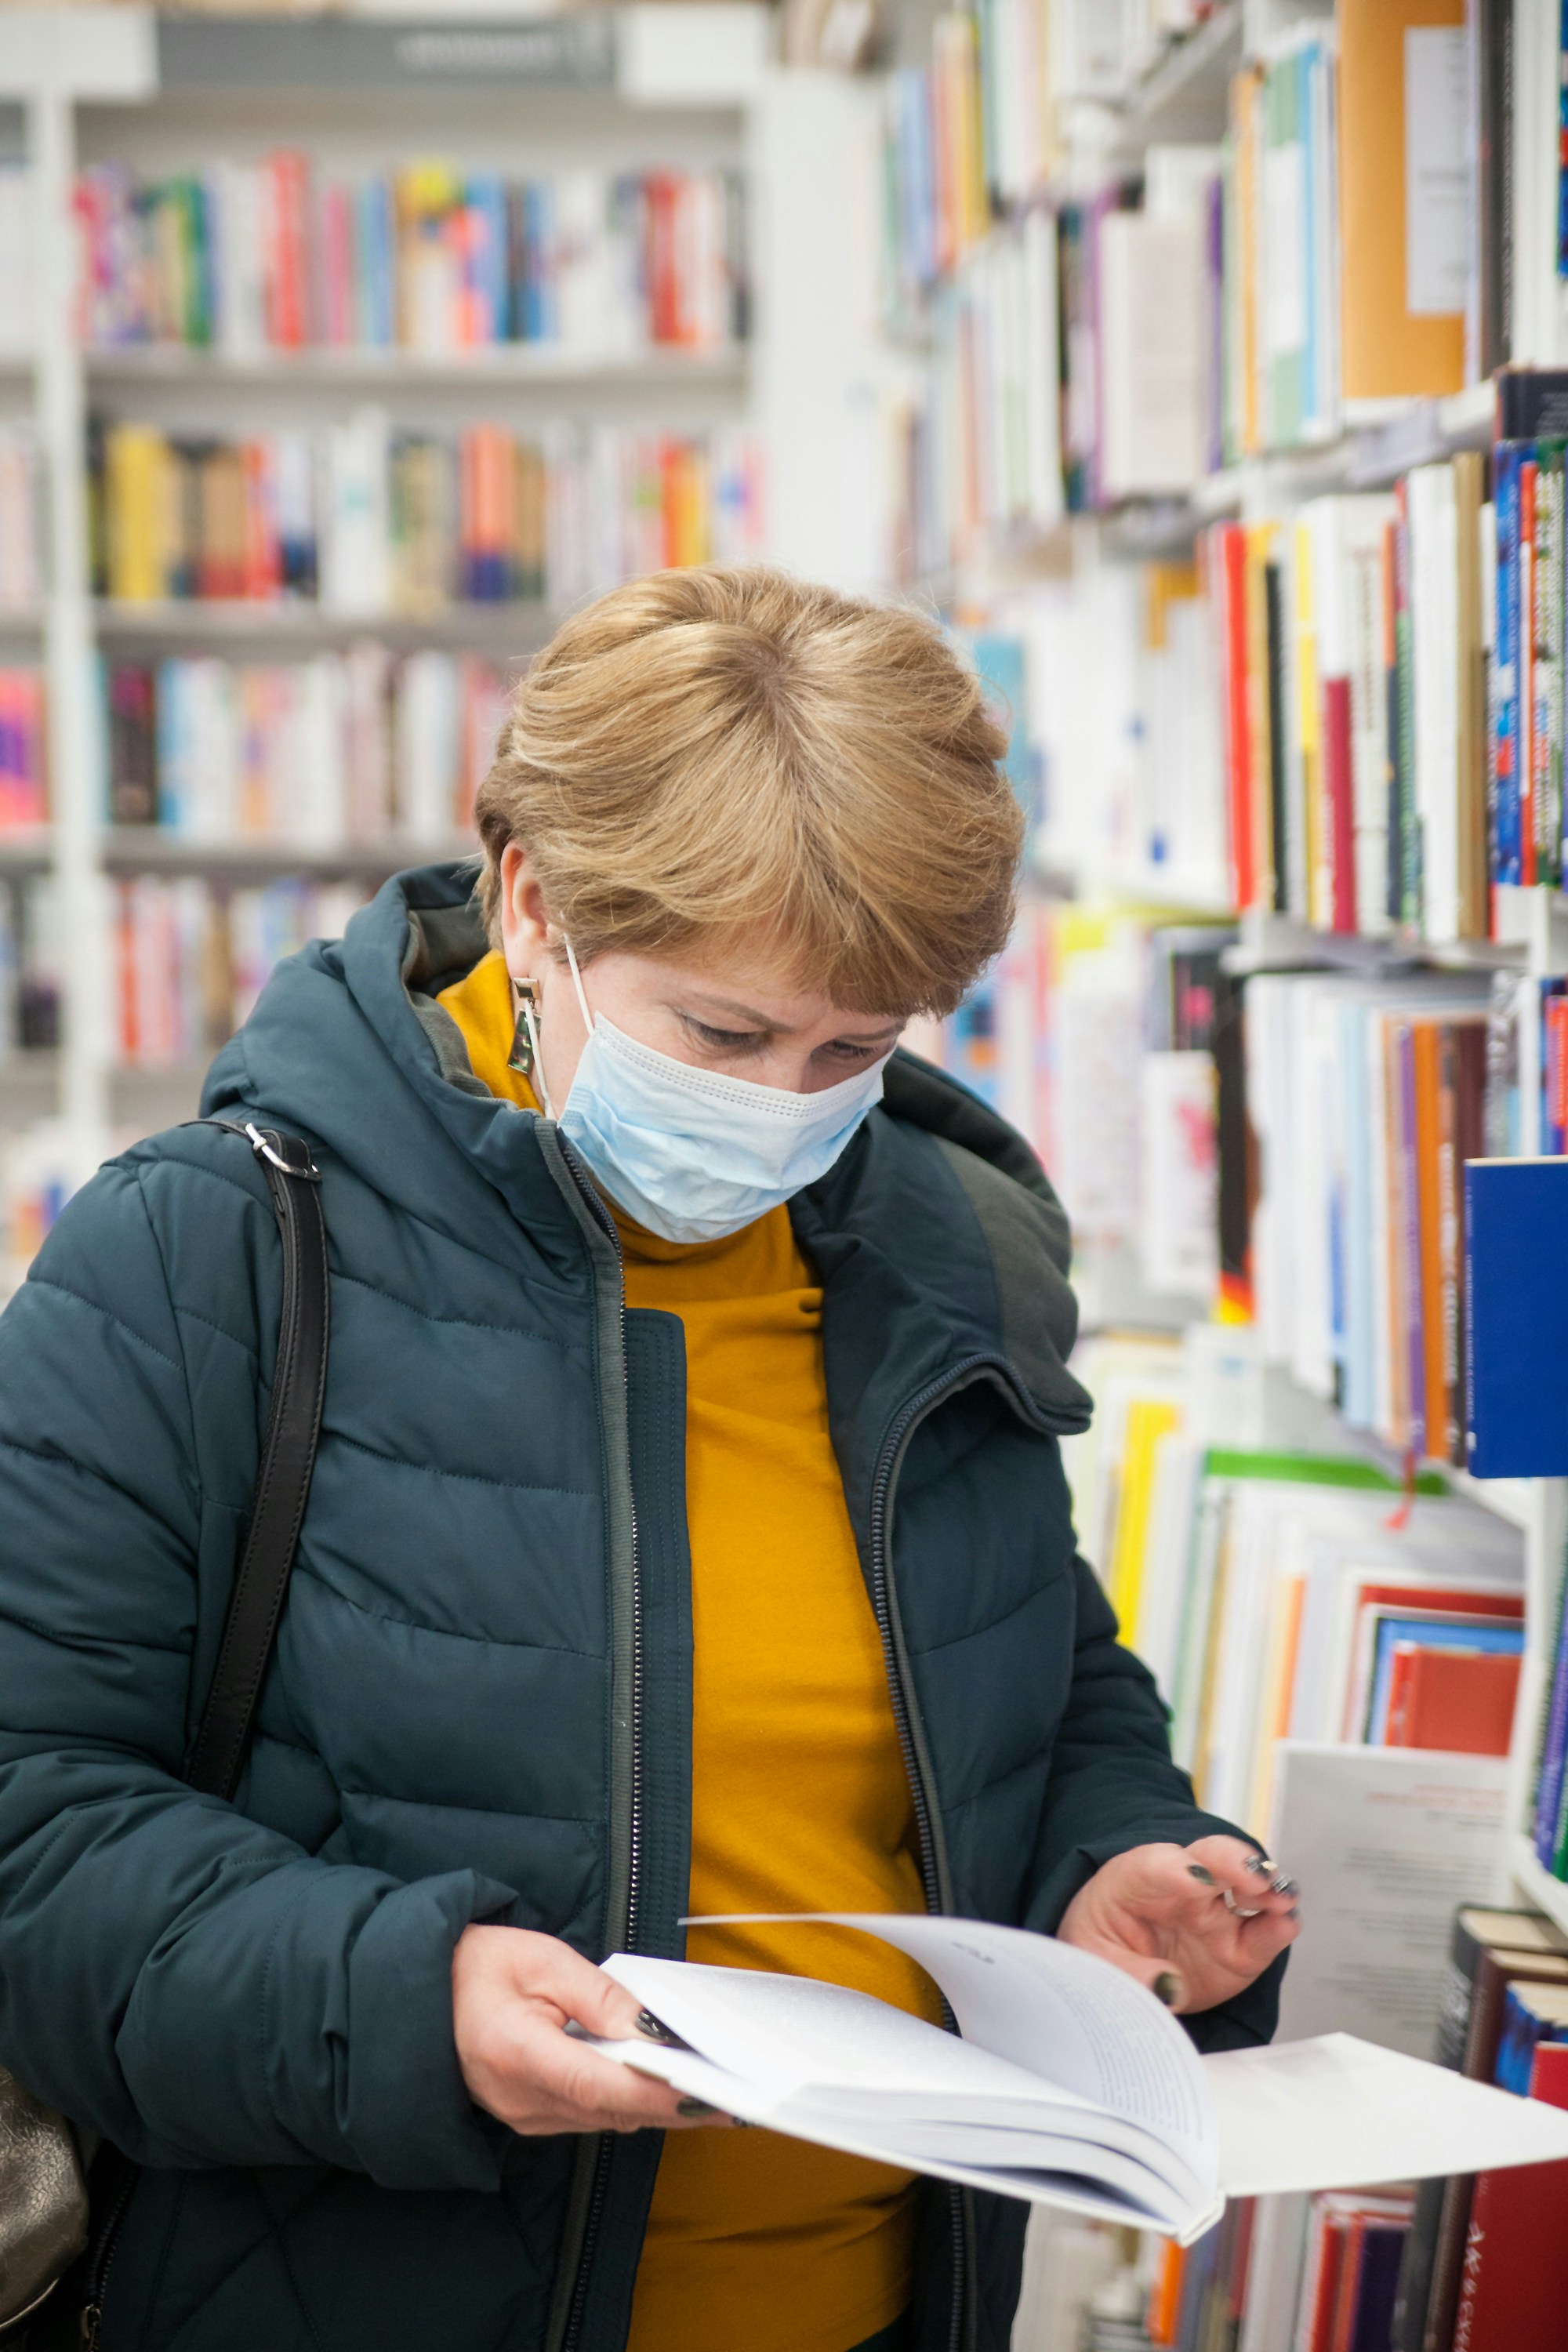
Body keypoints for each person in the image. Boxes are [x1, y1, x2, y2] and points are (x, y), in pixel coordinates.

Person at [0, 567, 1295, 2352]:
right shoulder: (203, 1256)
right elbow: (32, 1828)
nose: (783, 1107)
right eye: (720, 1033)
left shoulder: (941, 1255)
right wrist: (409, 2000)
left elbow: (1037, 1677)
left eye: (855, 1049)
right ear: (532, 905)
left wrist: (1113, 1852)